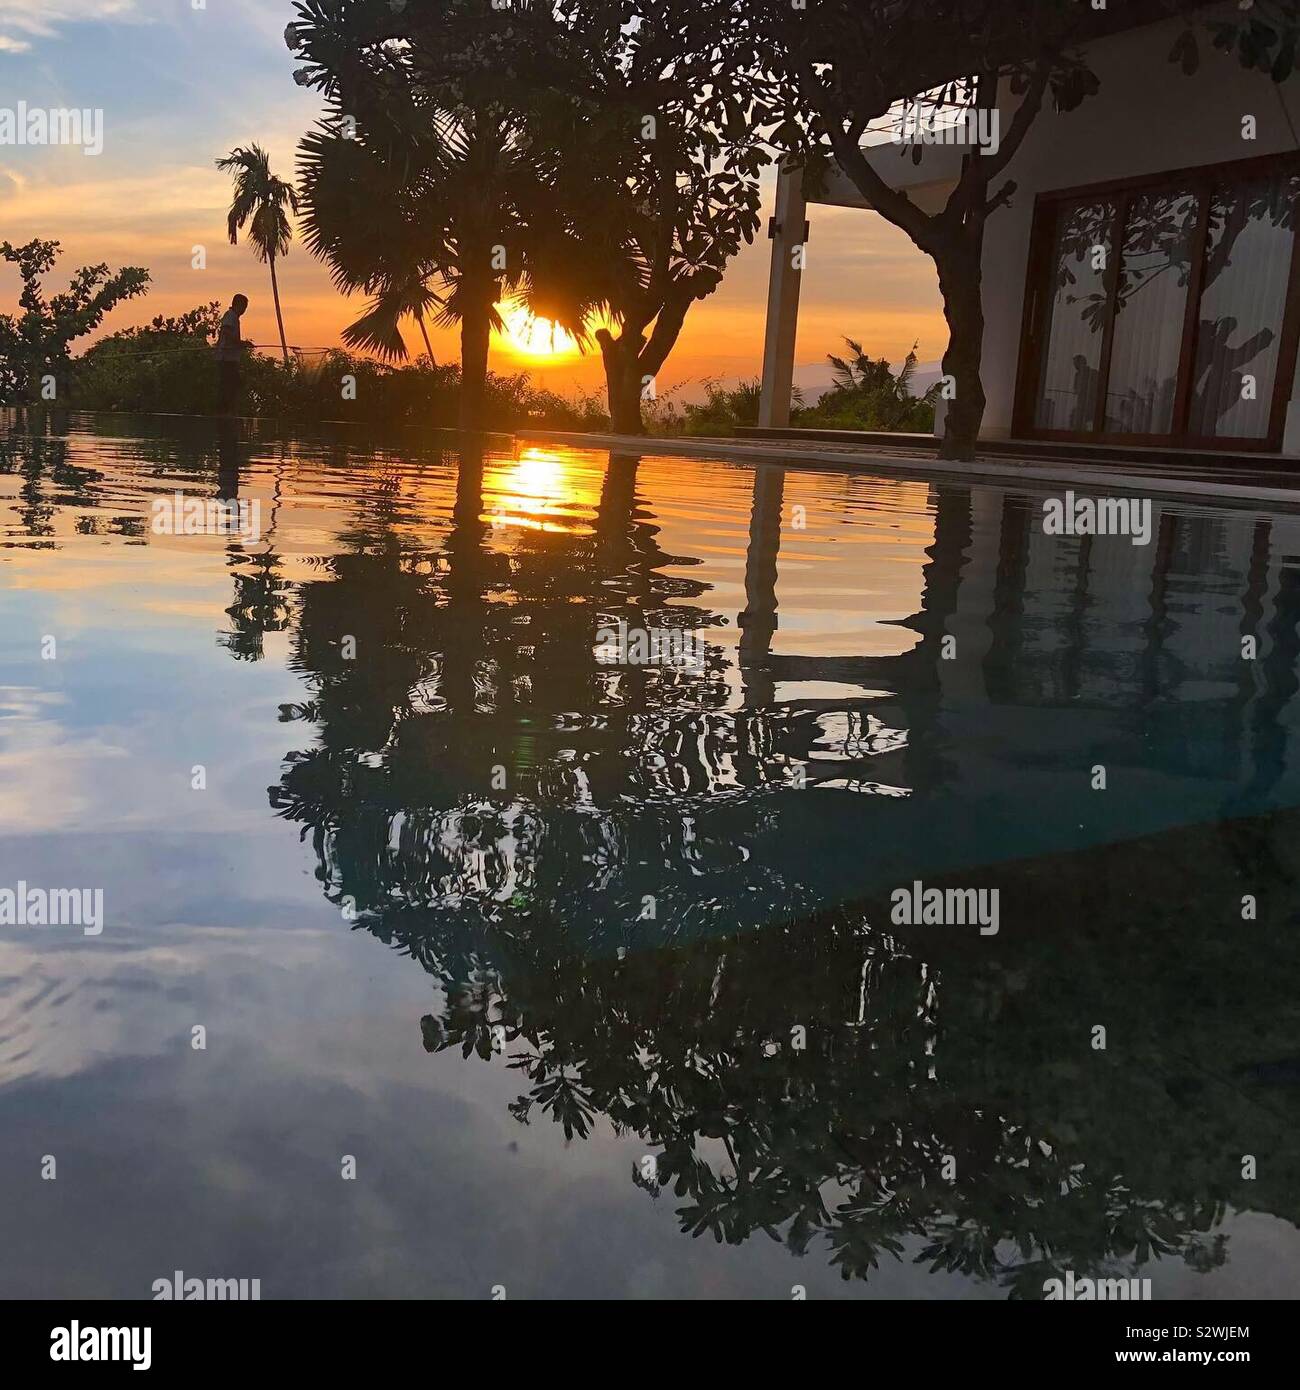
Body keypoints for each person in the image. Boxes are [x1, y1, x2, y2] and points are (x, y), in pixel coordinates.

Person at [215, 294, 249, 415]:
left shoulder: (233, 317)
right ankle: (225, 413)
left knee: (232, 385)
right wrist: (241, 343)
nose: (244, 310)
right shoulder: (230, 316)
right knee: (228, 387)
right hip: (226, 359)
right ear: (238, 305)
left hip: (230, 359)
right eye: (244, 307)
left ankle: (228, 411)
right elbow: (227, 333)